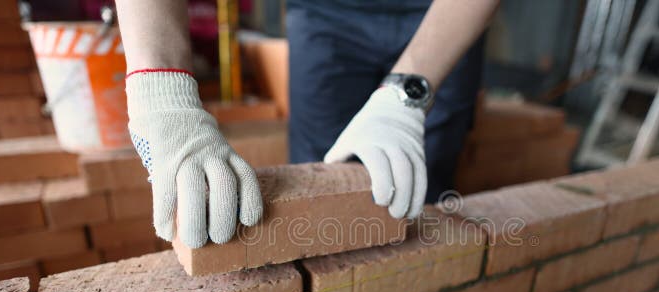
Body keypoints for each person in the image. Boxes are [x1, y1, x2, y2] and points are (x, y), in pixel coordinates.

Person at [116, 0, 499, 249]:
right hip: (325, 13)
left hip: (446, 13)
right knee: (317, 177)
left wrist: (406, 95)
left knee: (420, 185)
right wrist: (161, 89)